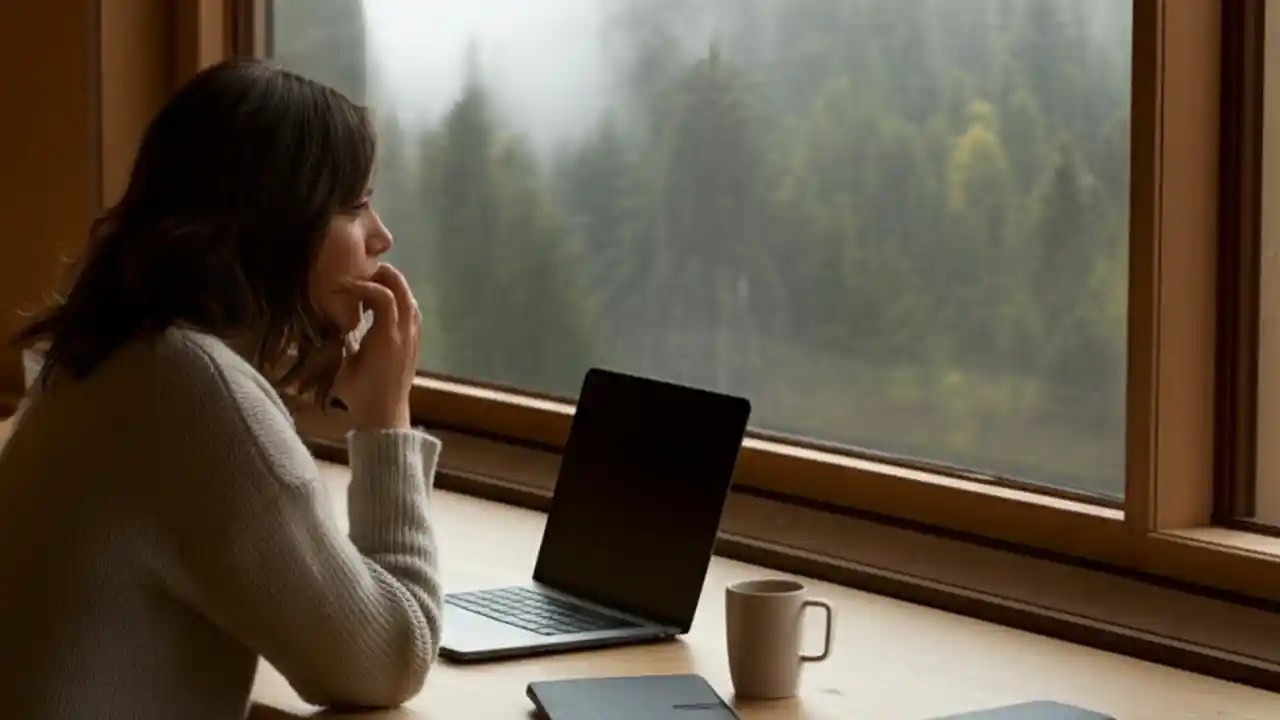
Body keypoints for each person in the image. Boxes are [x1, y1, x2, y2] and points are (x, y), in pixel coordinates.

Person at [0, 59, 441, 719]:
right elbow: (391, 655)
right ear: (273, 225)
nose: (382, 235)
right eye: (354, 206)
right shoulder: (196, 395)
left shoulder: (116, 353)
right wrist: (385, 420)